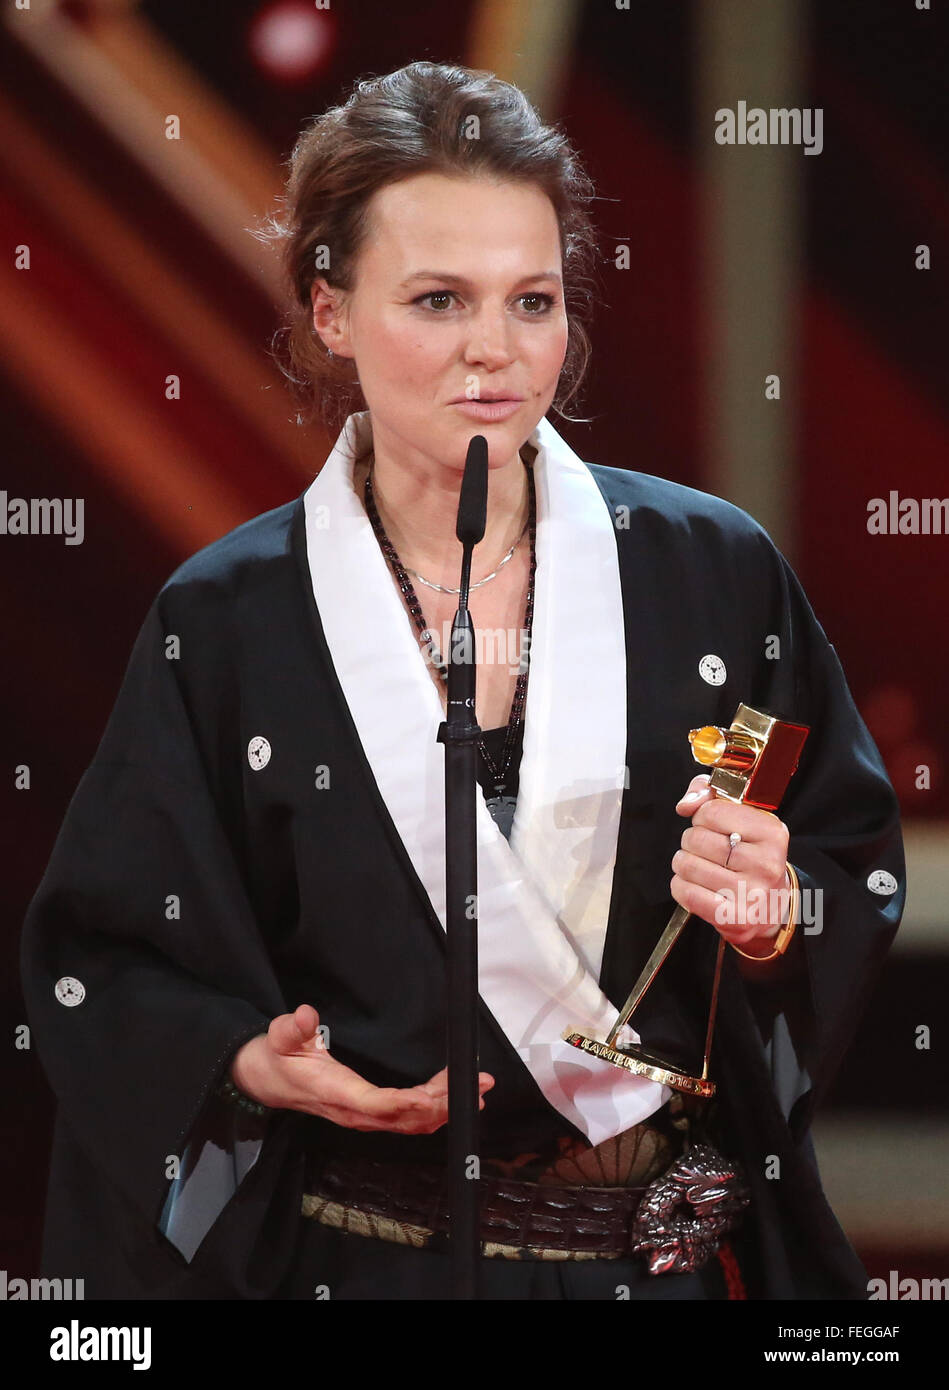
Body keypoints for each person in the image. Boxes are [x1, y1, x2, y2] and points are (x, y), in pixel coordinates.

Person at [21, 61, 904, 1301]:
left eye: (531, 301)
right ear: (328, 309)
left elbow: (842, 864)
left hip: (642, 1263)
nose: (494, 352)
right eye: (437, 300)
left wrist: (772, 921)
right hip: (356, 1264)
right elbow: (106, 955)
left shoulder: (714, 574)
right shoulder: (224, 619)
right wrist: (241, 1060)